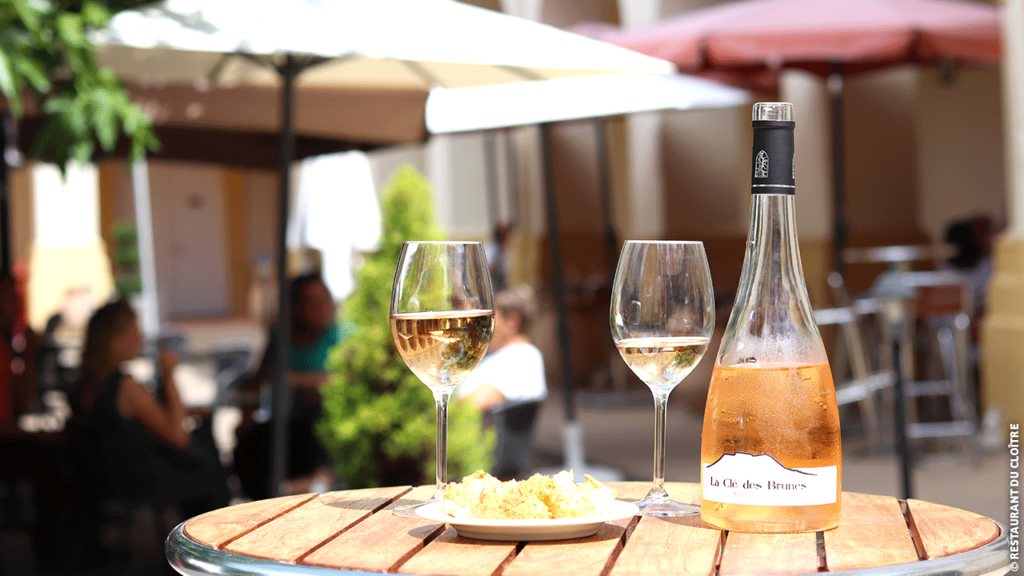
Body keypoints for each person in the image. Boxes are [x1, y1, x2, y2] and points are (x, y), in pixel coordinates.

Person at [68, 300, 230, 518]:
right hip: (143, 481)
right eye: (135, 332)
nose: (140, 339)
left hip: (108, 480)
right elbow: (177, 437)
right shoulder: (124, 386)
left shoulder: (85, 385)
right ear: (115, 341)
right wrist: (169, 374)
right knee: (208, 465)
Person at [233, 272, 342, 500]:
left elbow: (340, 381)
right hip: (288, 423)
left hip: (326, 424)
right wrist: (245, 418)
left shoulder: (339, 336)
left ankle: (307, 485)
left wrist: (293, 379)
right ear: (295, 306)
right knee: (252, 446)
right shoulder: (282, 338)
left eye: (324, 299)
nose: (321, 307)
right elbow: (256, 380)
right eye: (311, 301)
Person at [457, 286, 547, 411]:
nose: (481, 326)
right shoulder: (513, 355)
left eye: (489, 319)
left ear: (512, 322)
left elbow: (473, 405)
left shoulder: (520, 357)